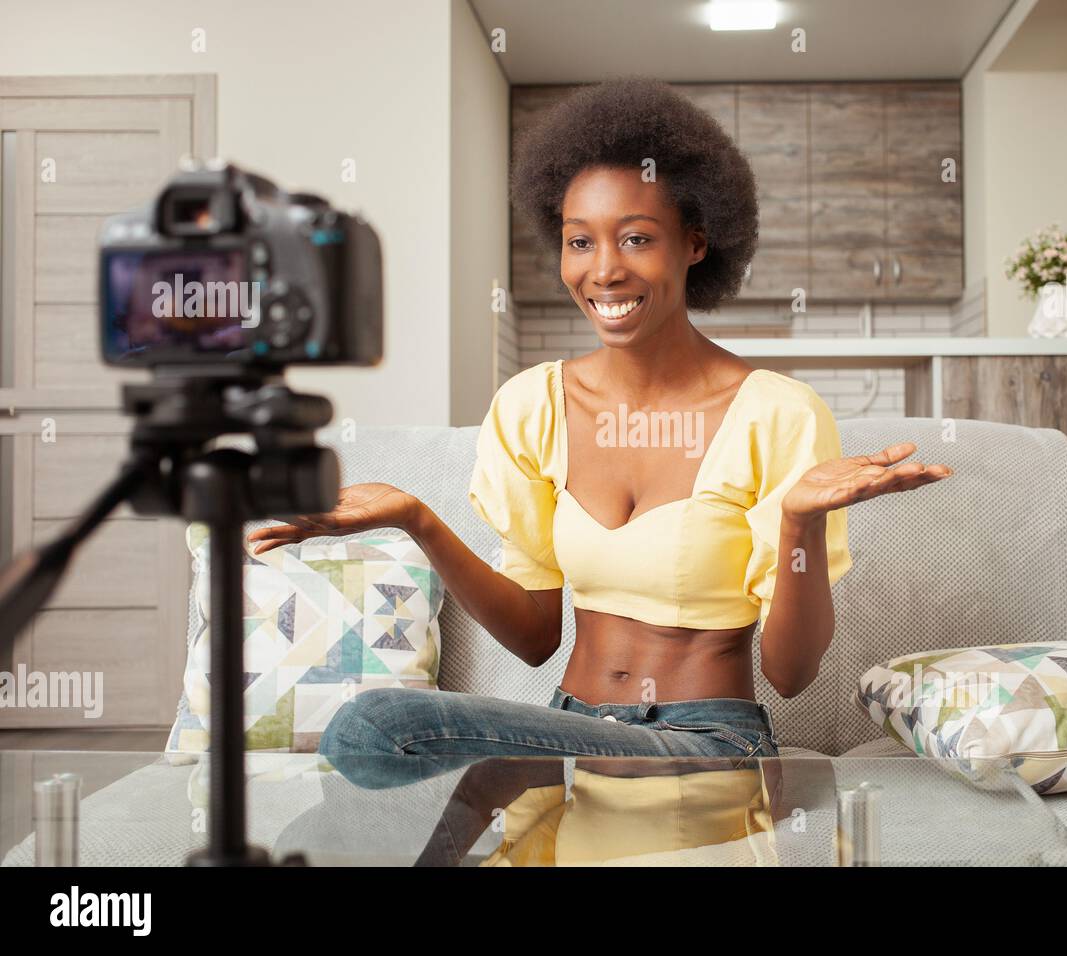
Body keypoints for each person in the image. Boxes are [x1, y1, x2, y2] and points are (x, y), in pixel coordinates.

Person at [247, 76, 951, 790]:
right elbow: (532, 638)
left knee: (374, 729)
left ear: (695, 244)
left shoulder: (778, 413)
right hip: (569, 723)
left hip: (708, 743)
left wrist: (799, 523)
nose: (604, 269)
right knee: (394, 769)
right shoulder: (532, 406)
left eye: (637, 238)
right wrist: (416, 520)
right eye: (579, 241)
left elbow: (792, 675)